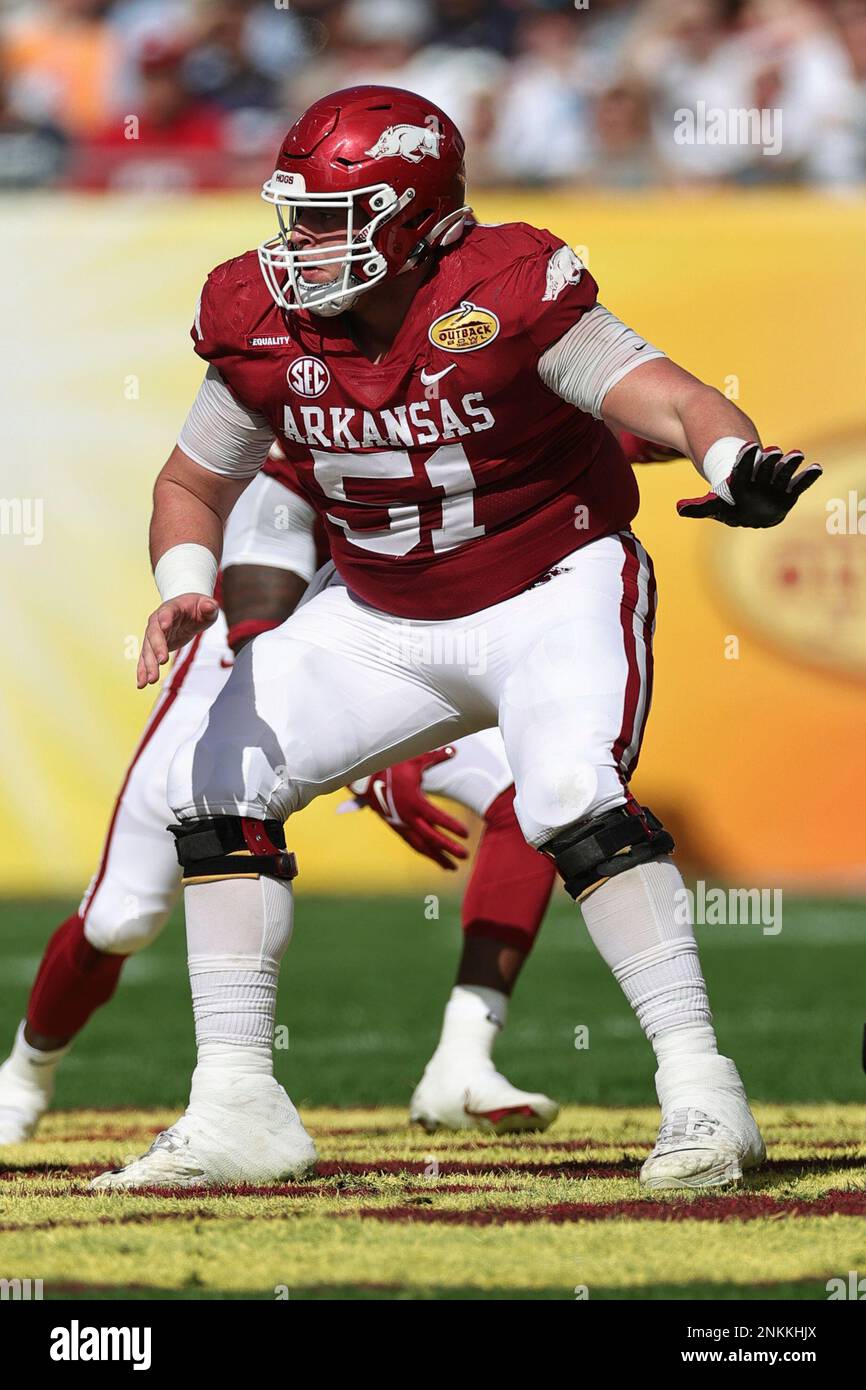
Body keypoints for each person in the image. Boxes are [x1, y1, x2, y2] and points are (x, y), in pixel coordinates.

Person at [94, 84, 820, 1192]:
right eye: (294, 215)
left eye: (334, 219)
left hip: (548, 584)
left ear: (419, 218)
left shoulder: (505, 290)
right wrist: (184, 580)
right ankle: (239, 1105)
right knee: (212, 783)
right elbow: (193, 478)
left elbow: (673, 400)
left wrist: (732, 465)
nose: (299, 246)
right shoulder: (258, 316)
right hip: (382, 613)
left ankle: (701, 1090)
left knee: (570, 795)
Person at [0, 450, 559, 1144]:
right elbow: (260, 623)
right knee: (120, 920)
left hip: (408, 650)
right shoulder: (301, 421)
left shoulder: (452, 389)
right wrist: (374, 765)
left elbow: (574, 414)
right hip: (246, 666)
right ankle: (24, 1076)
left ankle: (462, 1059)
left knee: (528, 793)